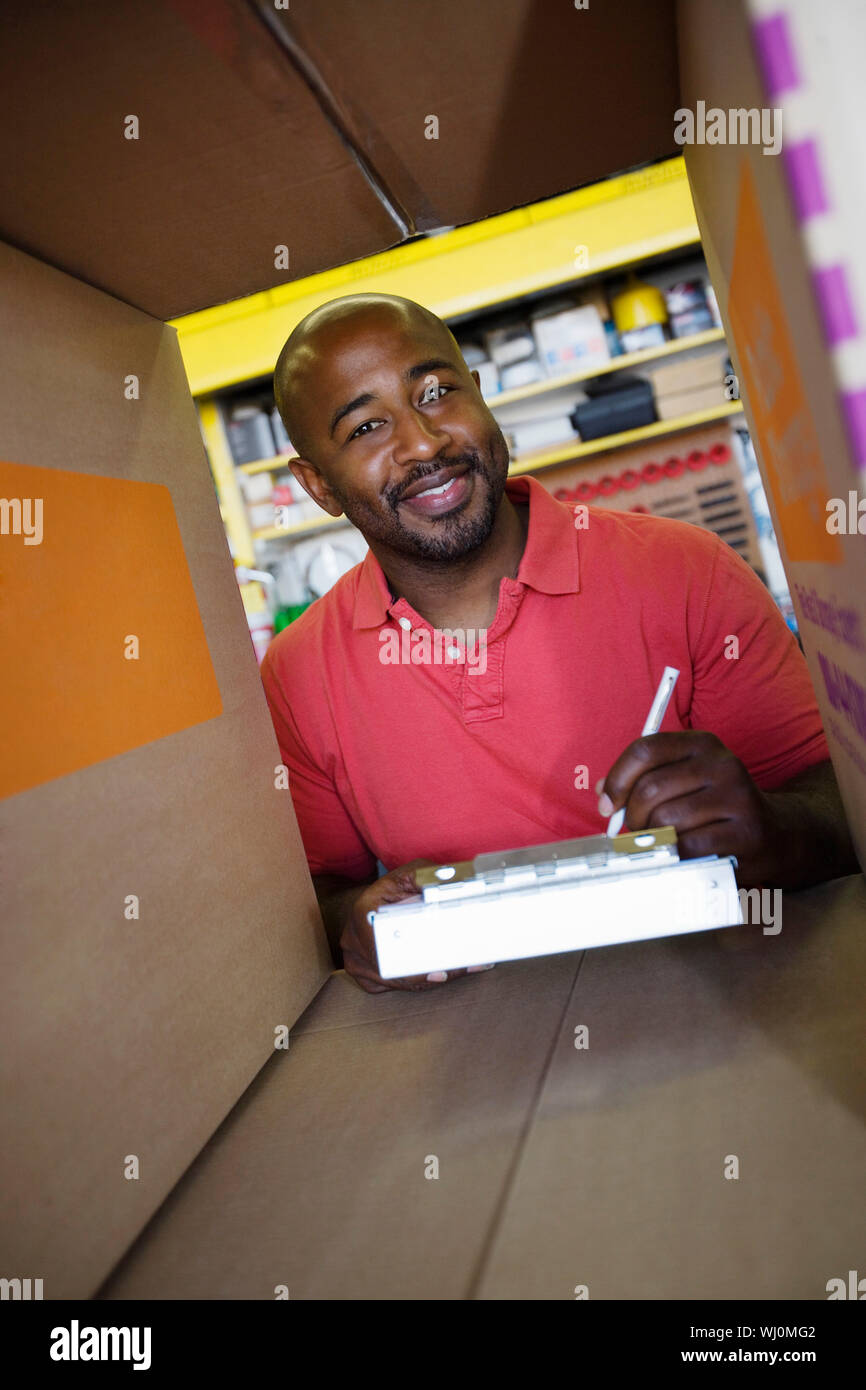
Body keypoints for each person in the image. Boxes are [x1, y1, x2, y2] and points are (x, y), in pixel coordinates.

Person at [260, 292, 857, 993]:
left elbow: (841, 803)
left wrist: (775, 827)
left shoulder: (684, 569)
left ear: (480, 396)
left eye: (438, 391)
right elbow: (323, 895)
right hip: (480, 1064)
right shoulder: (297, 676)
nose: (423, 442)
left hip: (741, 1010)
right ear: (317, 486)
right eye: (364, 428)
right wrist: (352, 925)